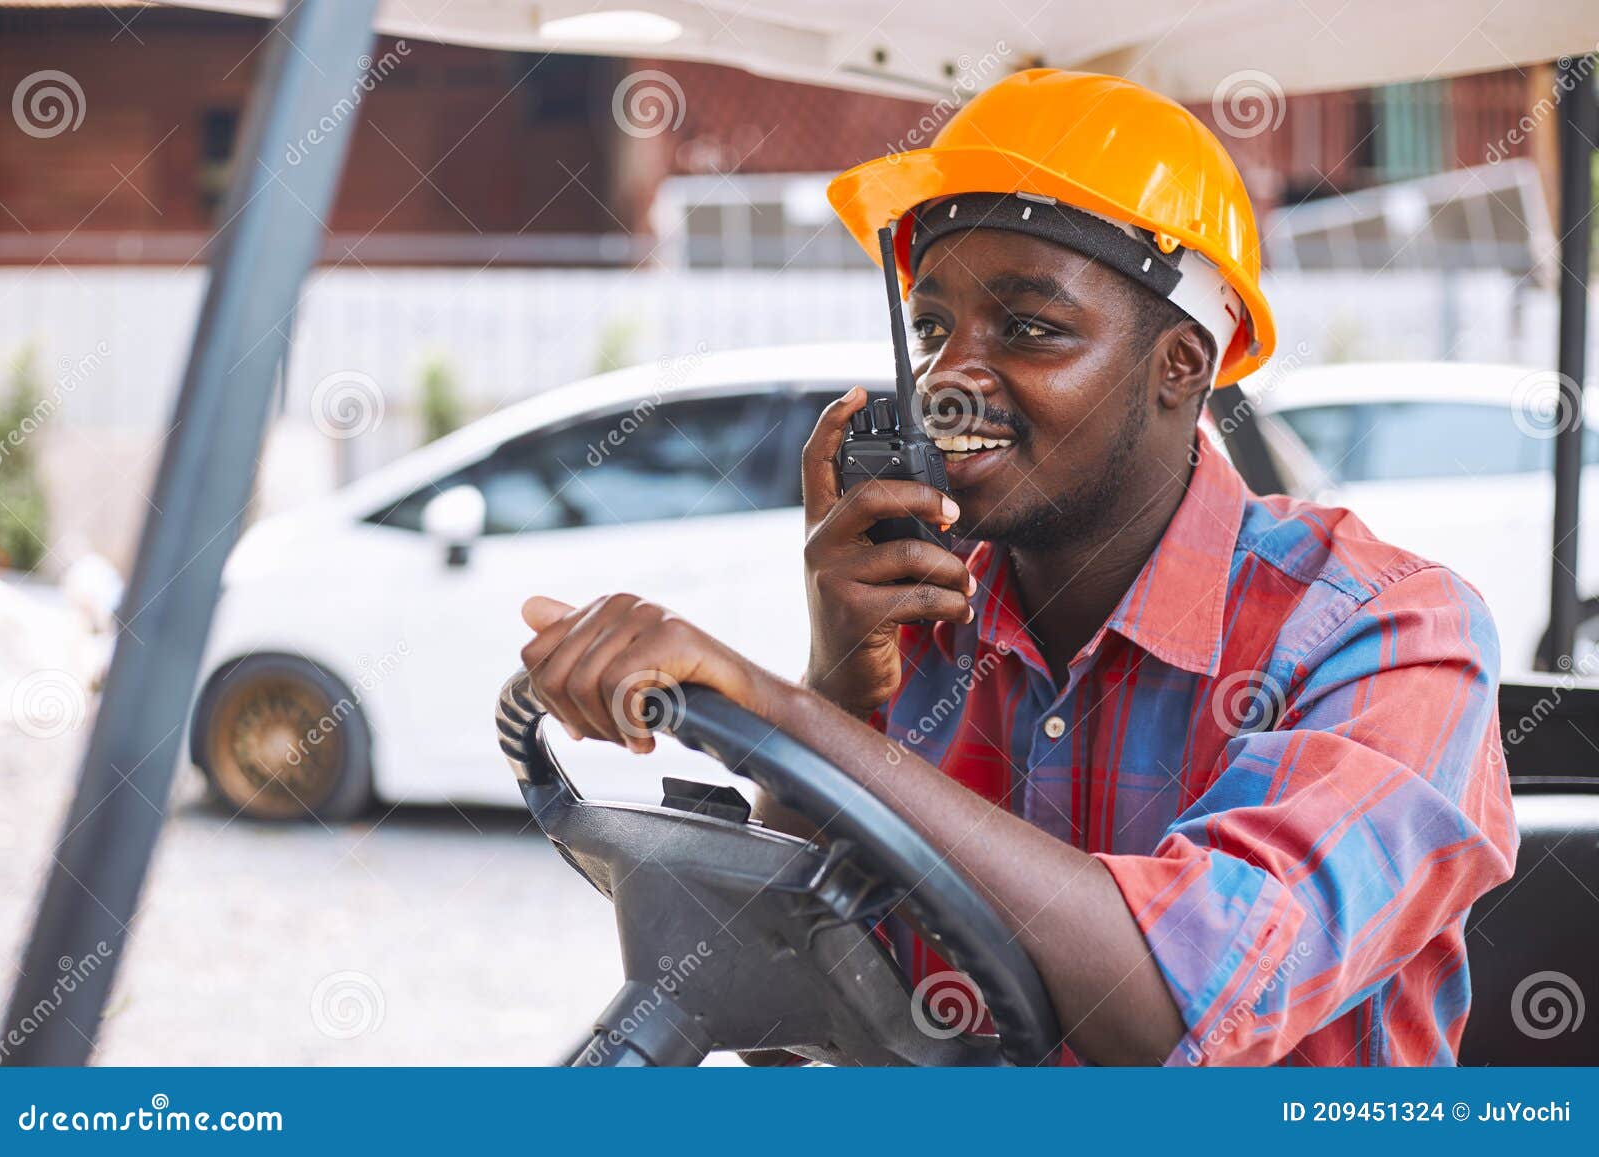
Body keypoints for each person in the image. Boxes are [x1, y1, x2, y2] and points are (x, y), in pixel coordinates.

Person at [517, 70, 1517, 1065]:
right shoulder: (919, 615)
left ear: (1181, 365)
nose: (951, 374)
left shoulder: (1388, 632)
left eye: (1030, 328)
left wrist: (788, 714)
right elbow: (786, 999)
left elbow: (1175, 1002)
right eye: (933, 328)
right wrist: (837, 679)